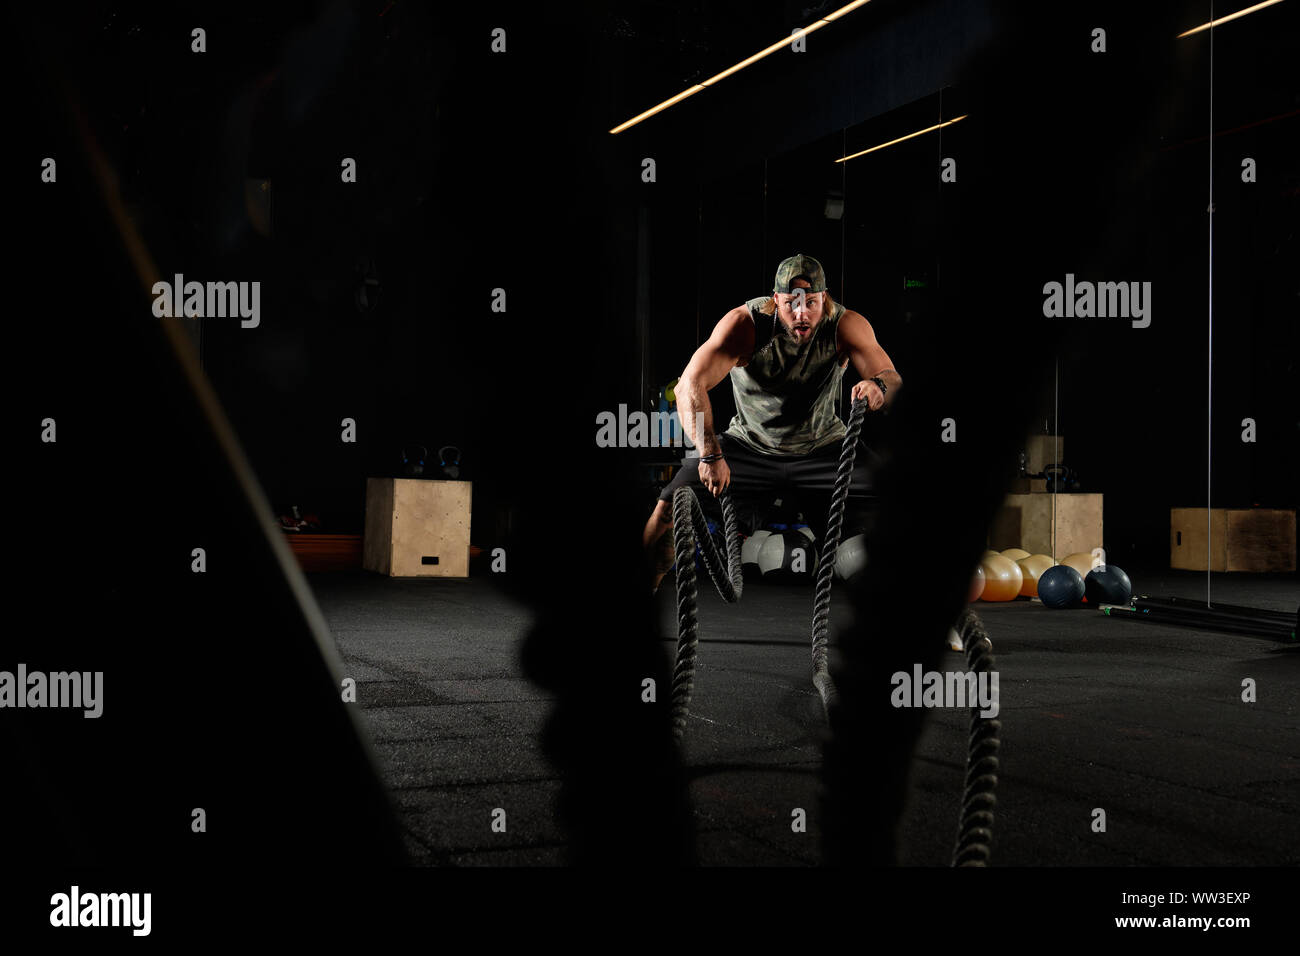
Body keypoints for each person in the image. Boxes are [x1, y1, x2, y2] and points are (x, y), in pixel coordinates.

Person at [643, 253, 901, 593]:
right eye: (791, 303)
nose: (801, 313)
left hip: (823, 448)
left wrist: (878, 385)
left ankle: (935, 615)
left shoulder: (845, 325)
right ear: (774, 300)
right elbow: (689, 384)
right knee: (671, 506)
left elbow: (892, 378)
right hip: (751, 446)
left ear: (825, 299)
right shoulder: (745, 325)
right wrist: (709, 455)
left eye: (811, 302)